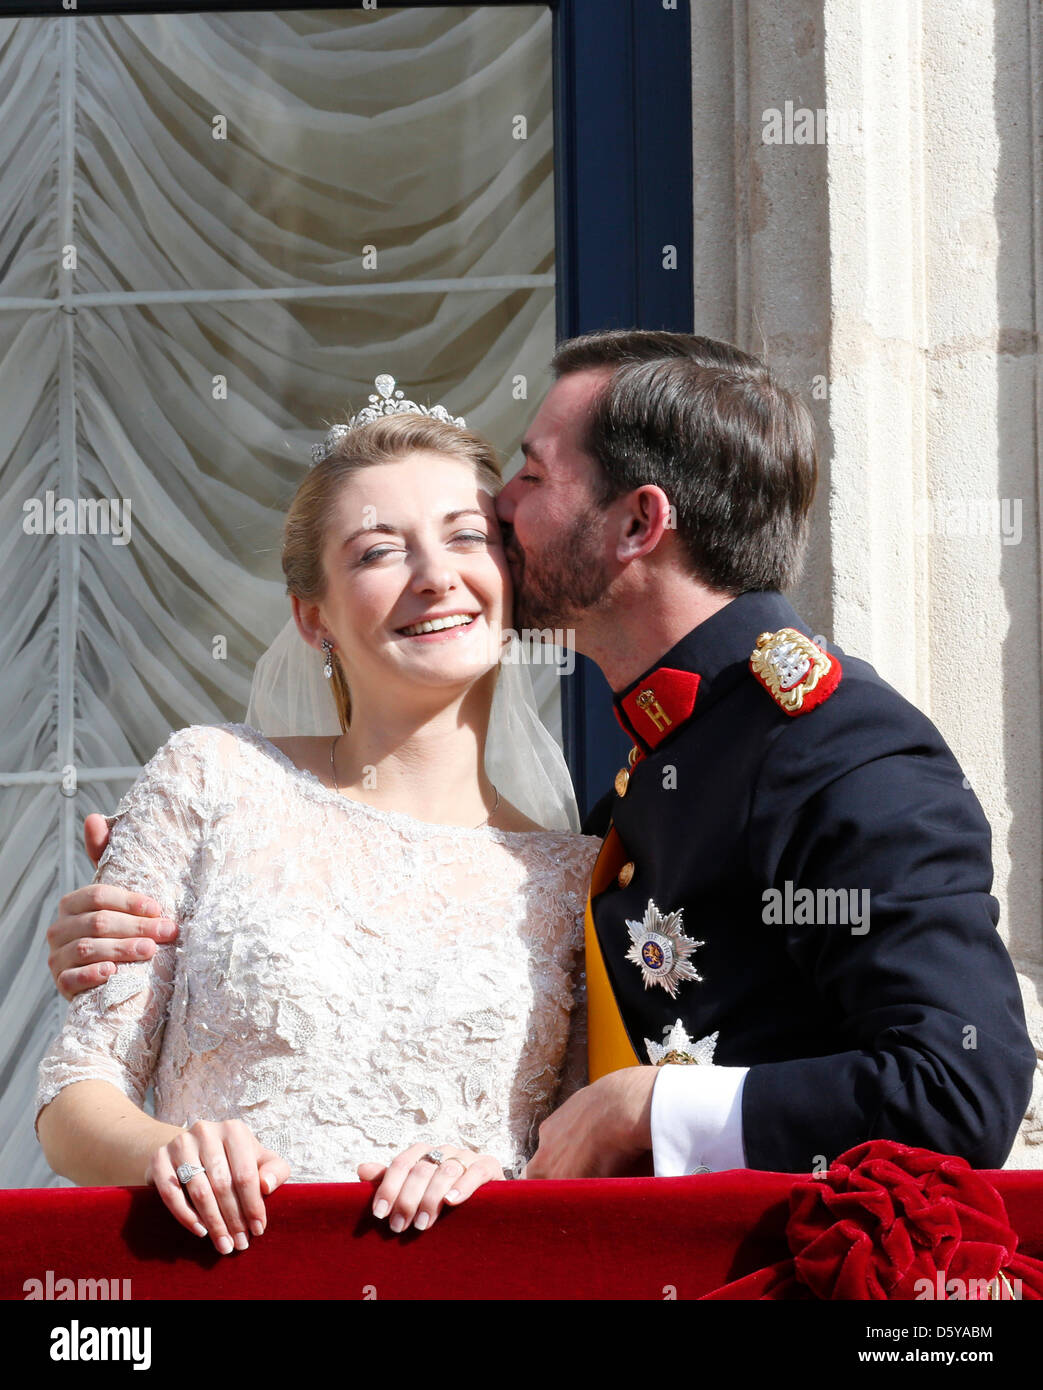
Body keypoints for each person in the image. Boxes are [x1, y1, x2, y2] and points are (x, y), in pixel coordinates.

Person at [47, 331, 1037, 1188]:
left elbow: (956, 1084)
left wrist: (648, 1110)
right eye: (379, 549)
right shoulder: (632, 802)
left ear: (637, 524)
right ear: (312, 615)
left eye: (521, 479)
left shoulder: (830, 744)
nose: (493, 525)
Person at [35, 399, 601, 1254]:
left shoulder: (573, 876)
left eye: (464, 537)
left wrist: (500, 1177)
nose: (434, 576)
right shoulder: (211, 776)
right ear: (314, 617)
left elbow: (590, 1165)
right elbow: (75, 1094)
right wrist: (174, 1152)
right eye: (378, 551)